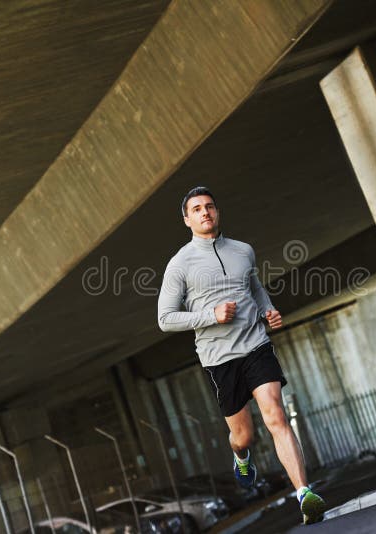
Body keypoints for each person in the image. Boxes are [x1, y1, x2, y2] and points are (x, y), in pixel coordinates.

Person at [157, 186, 326, 525]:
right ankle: (241, 455)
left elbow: (255, 286)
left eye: (210, 207)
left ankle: (304, 493)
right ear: (187, 219)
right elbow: (165, 318)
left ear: (217, 212)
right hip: (219, 359)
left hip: (256, 345)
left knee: (276, 415)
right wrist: (211, 315)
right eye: (197, 209)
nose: (205, 212)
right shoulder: (180, 264)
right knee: (244, 434)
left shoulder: (243, 250)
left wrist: (268, 309)